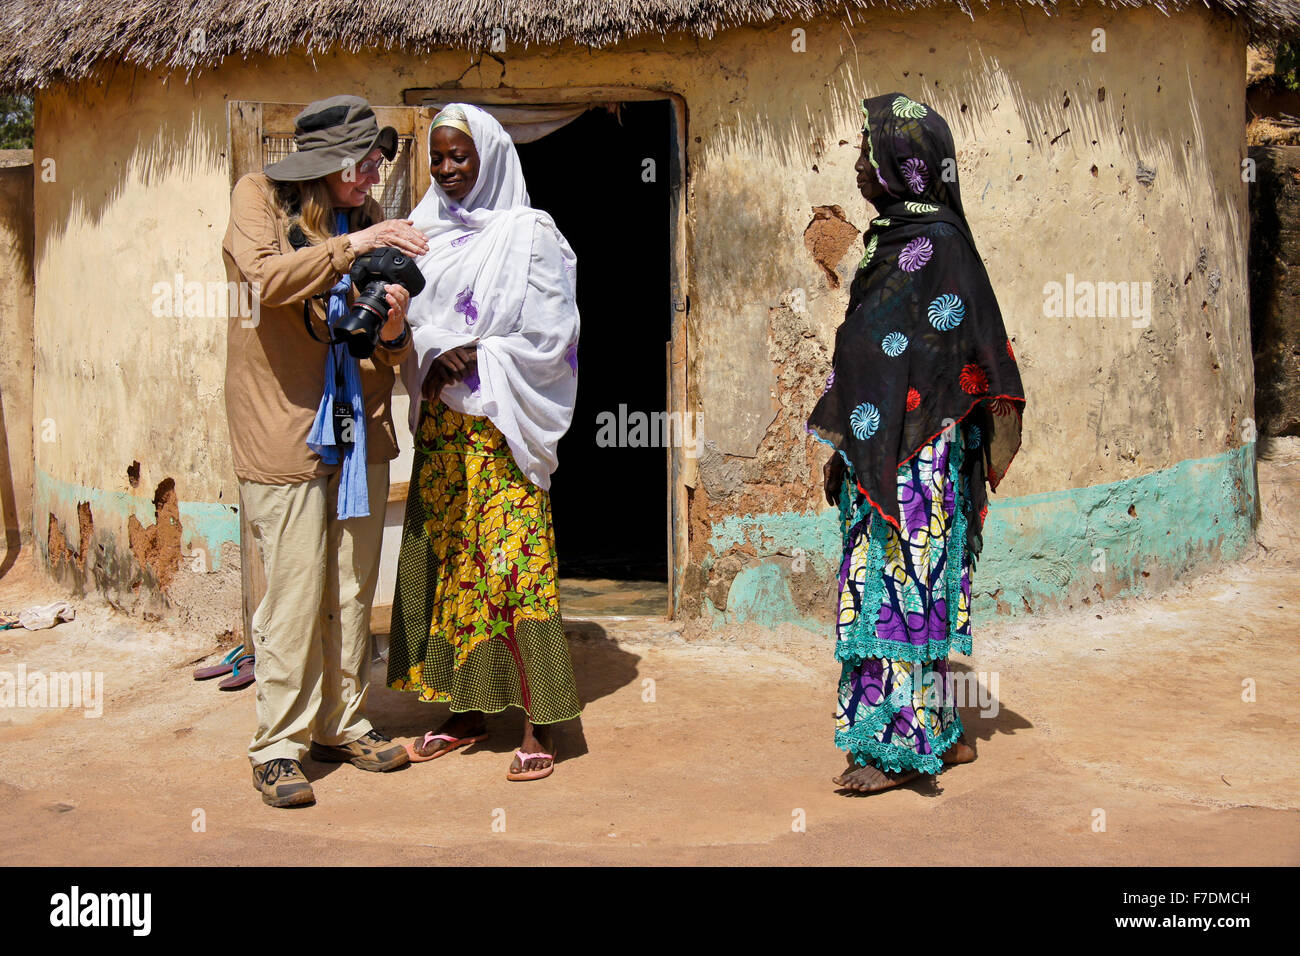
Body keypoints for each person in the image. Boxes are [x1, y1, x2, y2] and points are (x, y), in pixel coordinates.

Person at [807, 92, 1026, 794]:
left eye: (865, 150)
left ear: (903, 165)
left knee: (906, 588)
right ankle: (924, 733)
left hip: (920, 461)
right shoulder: (888, 243)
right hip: (878, 451)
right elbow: (868, 352)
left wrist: (981, 443)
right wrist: (845, 439)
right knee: (877, 590)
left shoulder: (943, 247)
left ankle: (902, 751)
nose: (857, 165)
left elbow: (973, 350)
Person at [223, 95, 431, 807]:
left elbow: (388, 352)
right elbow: (267, 279)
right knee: (292, 595)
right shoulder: (260, 199)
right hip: (284, 429)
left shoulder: (365, 222)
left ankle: (340, 723)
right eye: (366, 164)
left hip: (358, 427)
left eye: (378, 165)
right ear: (330, 163)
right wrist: (355, 249)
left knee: (349, 586)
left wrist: (397, 328)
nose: (375, 178)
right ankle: (276, 746)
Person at [386, 103, 582, 782]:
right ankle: (465, 712)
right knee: (453, 561)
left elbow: (554, 335)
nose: (446, 169)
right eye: (437, 157)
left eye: (459, 156)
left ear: (489, 157)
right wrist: (430, 355)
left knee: (514, 563)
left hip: (503, 424)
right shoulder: (422, 234)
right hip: (444, 429)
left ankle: (542, 721)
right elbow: (405, 323)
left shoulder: (531, 235)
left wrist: (480, 353)